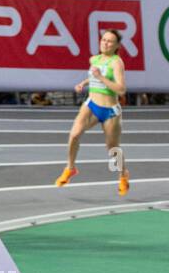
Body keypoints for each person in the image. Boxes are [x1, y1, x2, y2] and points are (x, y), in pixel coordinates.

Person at [54, 29, 131, 196]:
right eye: (103, 40)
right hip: (91, 105)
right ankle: (70, 168)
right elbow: (93, 75)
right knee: (74, 135)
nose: (105, 43)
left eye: (110, 41)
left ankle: (122, 173)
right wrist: (84, 83)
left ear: (117, 45)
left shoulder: (116, 63)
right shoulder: (94, 59)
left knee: (112, 148)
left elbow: (122, 89)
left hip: (110, 110)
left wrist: (101, 78)